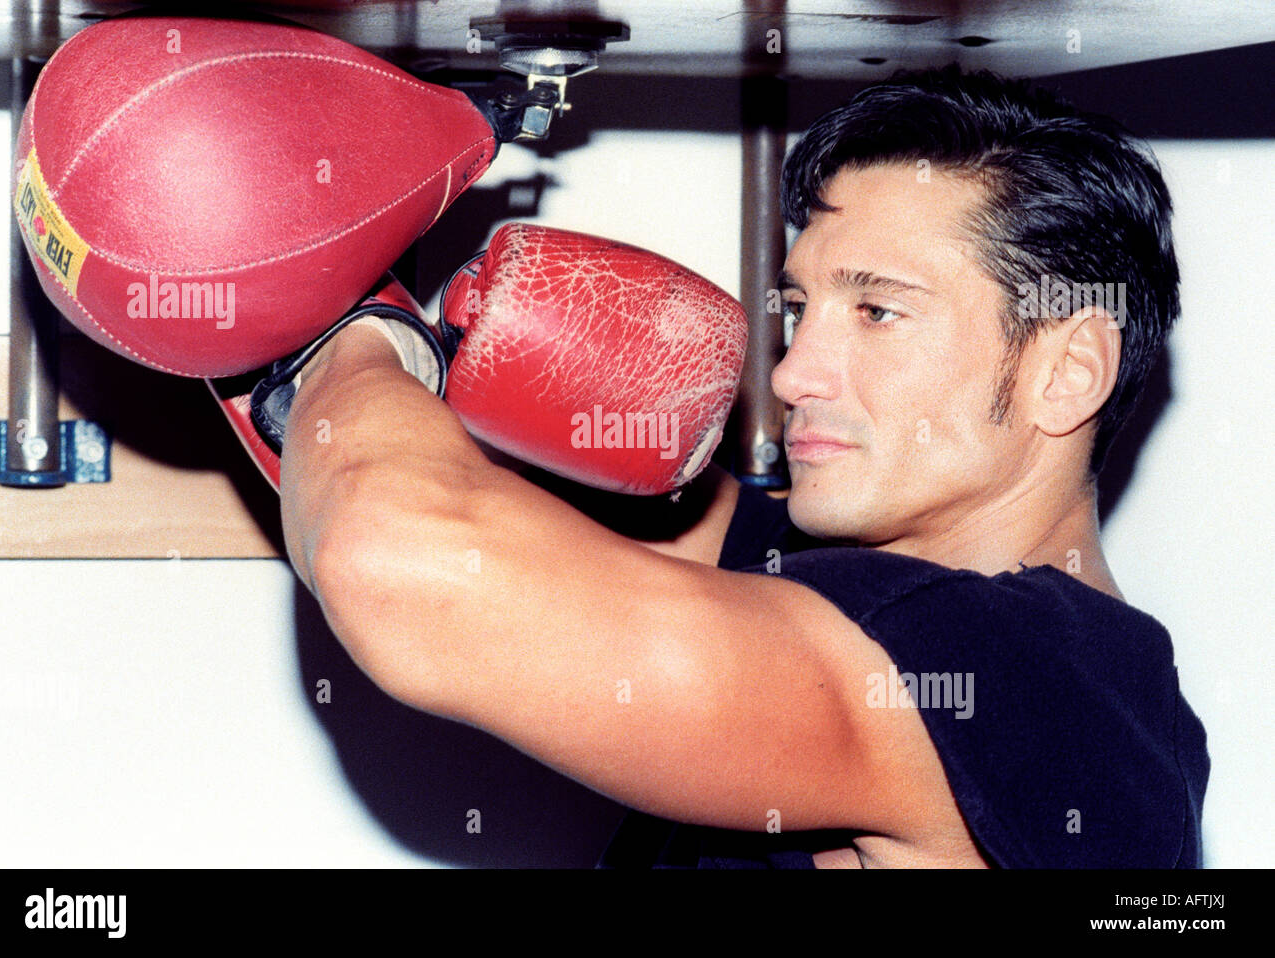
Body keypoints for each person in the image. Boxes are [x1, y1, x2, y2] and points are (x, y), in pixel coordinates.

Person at [276, 65, 1208, 868]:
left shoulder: (1031, 678)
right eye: (801, 311)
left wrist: (353, 345)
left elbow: (395, 560)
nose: (793, 372)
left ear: (1068, 371)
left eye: (878, 312)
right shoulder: (862, 591)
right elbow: (613, 531)